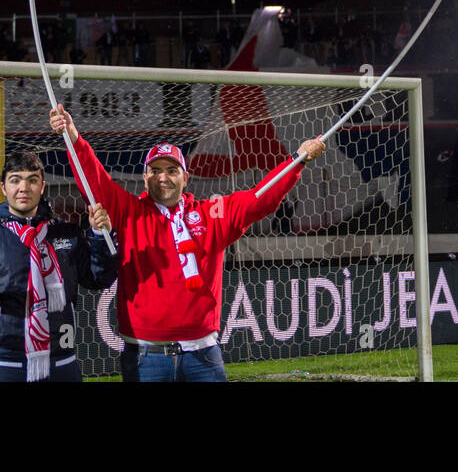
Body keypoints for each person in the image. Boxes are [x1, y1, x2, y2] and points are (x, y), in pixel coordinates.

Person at [48, 103, 325, 382]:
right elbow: (94, 179)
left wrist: (297, 161)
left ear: (185, 177)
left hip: (202, 355)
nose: (163, 177)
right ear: (145, 178)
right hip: (145, 357)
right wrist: (72, 136)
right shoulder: (130, 213)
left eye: (171, 170)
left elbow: (259, 200)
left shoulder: (211, 214)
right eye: (155, 170)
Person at [0, 152, 118, 382]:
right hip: (0, 363)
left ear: (42, 186)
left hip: (61, 362)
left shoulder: (66, 234)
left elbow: (99, 279)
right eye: (15, 180)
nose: (24, 187)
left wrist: (101, 236)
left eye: (32, 180)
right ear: (3, 187)